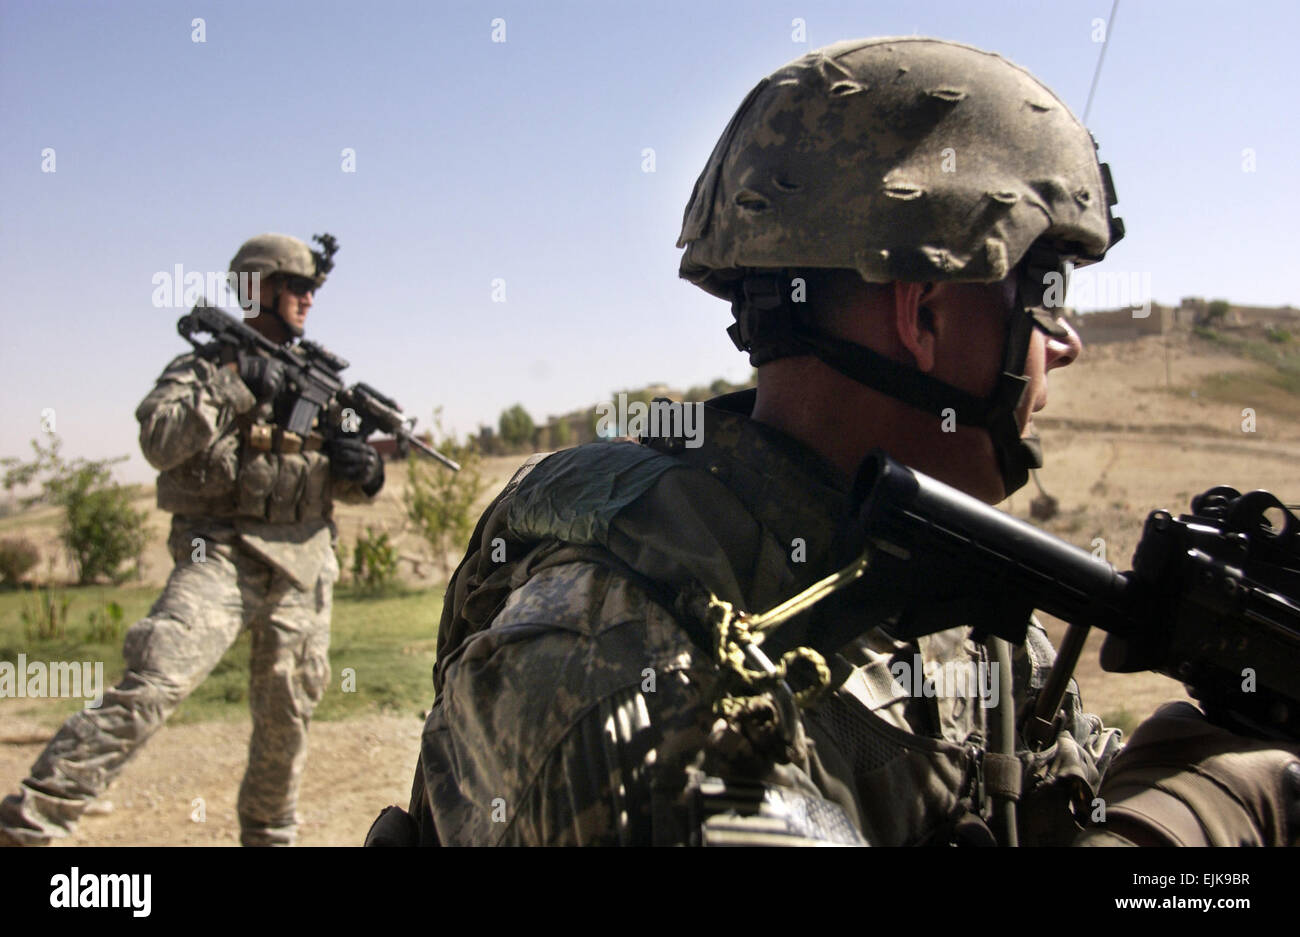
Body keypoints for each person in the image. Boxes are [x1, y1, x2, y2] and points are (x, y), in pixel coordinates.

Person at [374, 38, 1299, 846]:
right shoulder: (620, 670)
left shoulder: (923, 585)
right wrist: (1185, 832)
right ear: (926, 309)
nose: (1068, 341)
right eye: (1046, 289)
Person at [0, 233, 385, 847]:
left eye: (314, 287)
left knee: (289, 717)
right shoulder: (207, 367)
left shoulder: (319, 385)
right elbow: (159, 439)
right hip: (221, 554)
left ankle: (270, 836)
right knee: (153, 684)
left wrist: (364, 470)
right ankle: (33, 822)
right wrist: (236, 382)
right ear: (260, 287)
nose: (309, 298)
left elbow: (341, 484)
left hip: (305, 563)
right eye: (298, 285)